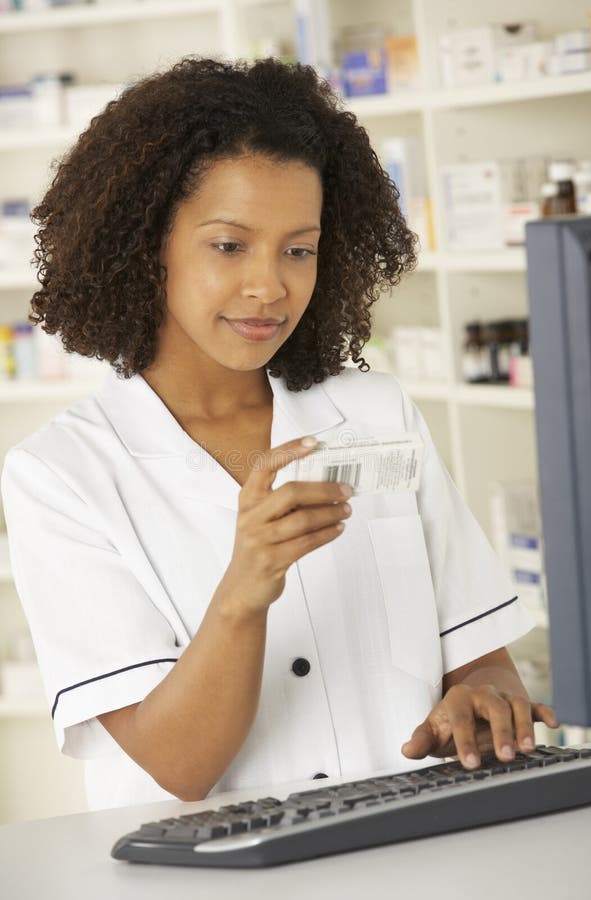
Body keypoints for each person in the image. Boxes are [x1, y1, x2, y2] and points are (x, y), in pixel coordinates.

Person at [1, 57, 556, 812]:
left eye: (299, 249)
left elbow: (483, 664)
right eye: (229, 246)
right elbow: (179, 766)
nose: (271, 285)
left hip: (413, 857)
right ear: (147, 243)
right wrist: (243, 592)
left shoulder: (377, 413)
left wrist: (480, 706)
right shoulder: (61, 476)